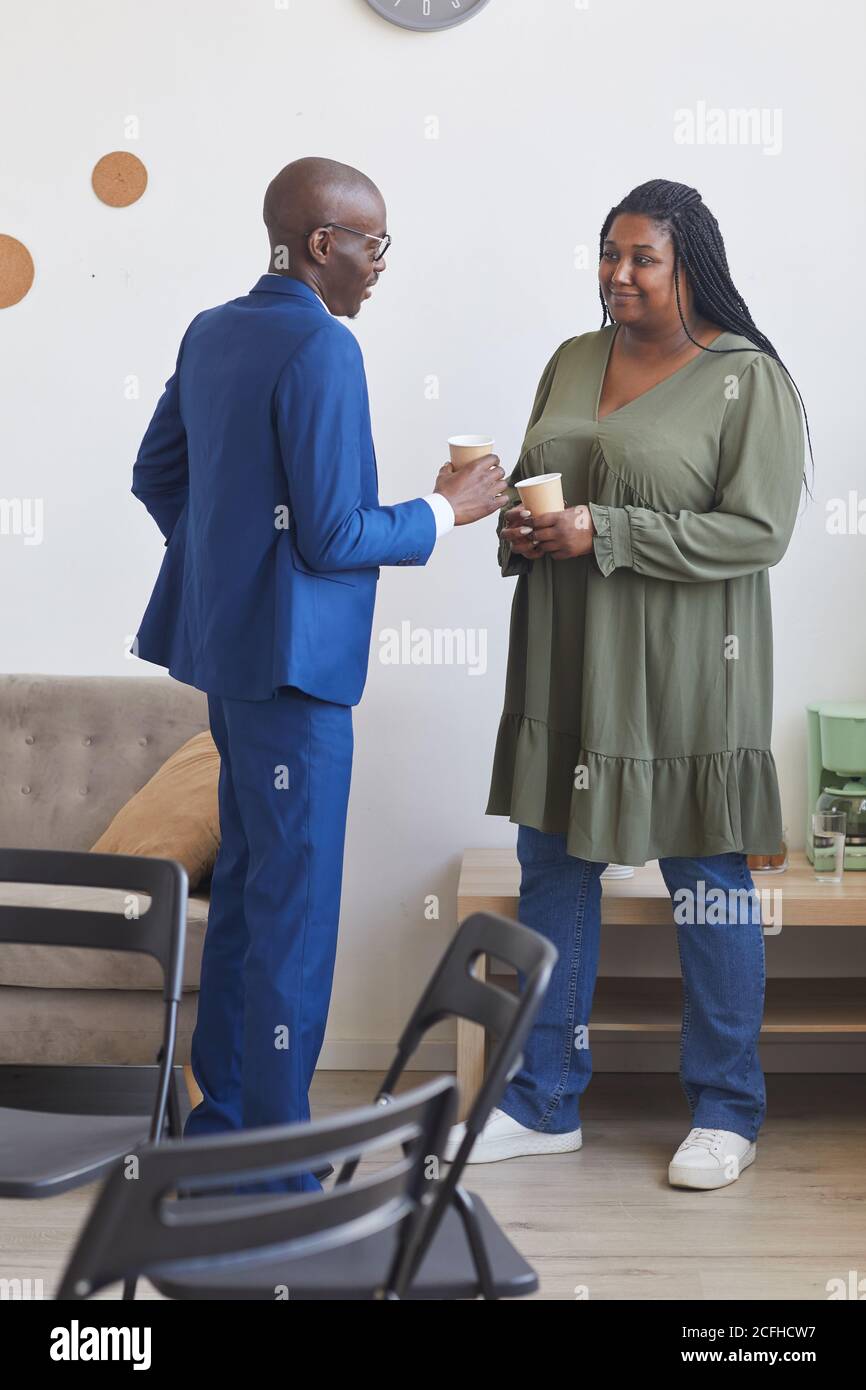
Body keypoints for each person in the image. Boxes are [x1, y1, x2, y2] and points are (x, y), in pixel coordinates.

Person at [131, 156, 507, 1193]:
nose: (381, 265)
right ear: (318, 245)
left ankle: (230, 1135)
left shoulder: (212, 330)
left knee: (253, 893)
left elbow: (154, 474)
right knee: (289, 914)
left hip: (230, 664)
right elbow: (338, 534)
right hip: (295, 680)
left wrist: (232, 569)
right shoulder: (323, 348)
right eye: (371, 243)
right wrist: (449, 509)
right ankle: (276, 1174)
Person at [448, 179, 809, 1191]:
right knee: (551, 867)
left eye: (639, 257)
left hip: (688, 674)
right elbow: (539, 474)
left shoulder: (746, 378)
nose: (616, 274)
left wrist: (603, 529)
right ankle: (542, 1097)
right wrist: (525, 534)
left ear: (687, 263)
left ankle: (726, 1108)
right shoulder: (572, 358)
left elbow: (757, 531)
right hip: (565, 663)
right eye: (607, 254)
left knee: (708, 886)